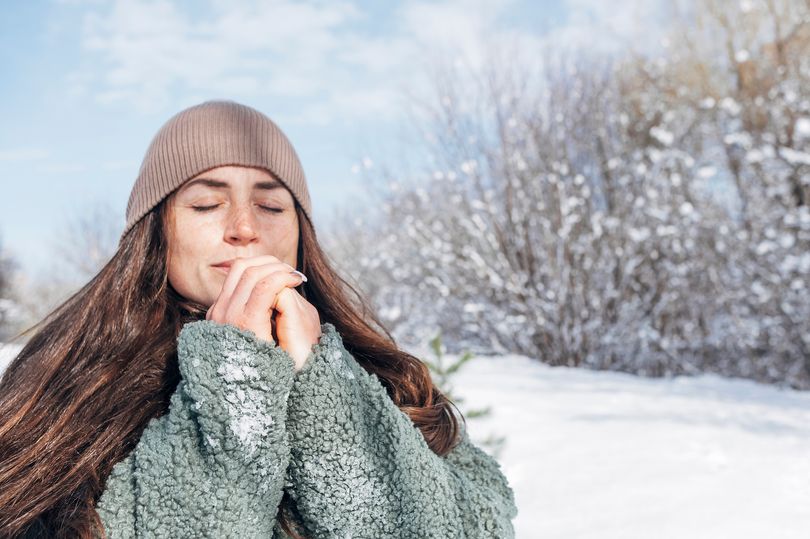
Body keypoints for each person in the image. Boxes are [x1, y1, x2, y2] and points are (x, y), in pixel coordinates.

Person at [0, 100, 518, 538]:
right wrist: (234, 379)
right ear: (156, 231)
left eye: (271, 206)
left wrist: (324, 385)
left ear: (300, 233)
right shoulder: (67, 389)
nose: (245, 227)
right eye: (205, 204)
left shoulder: (387, 379)